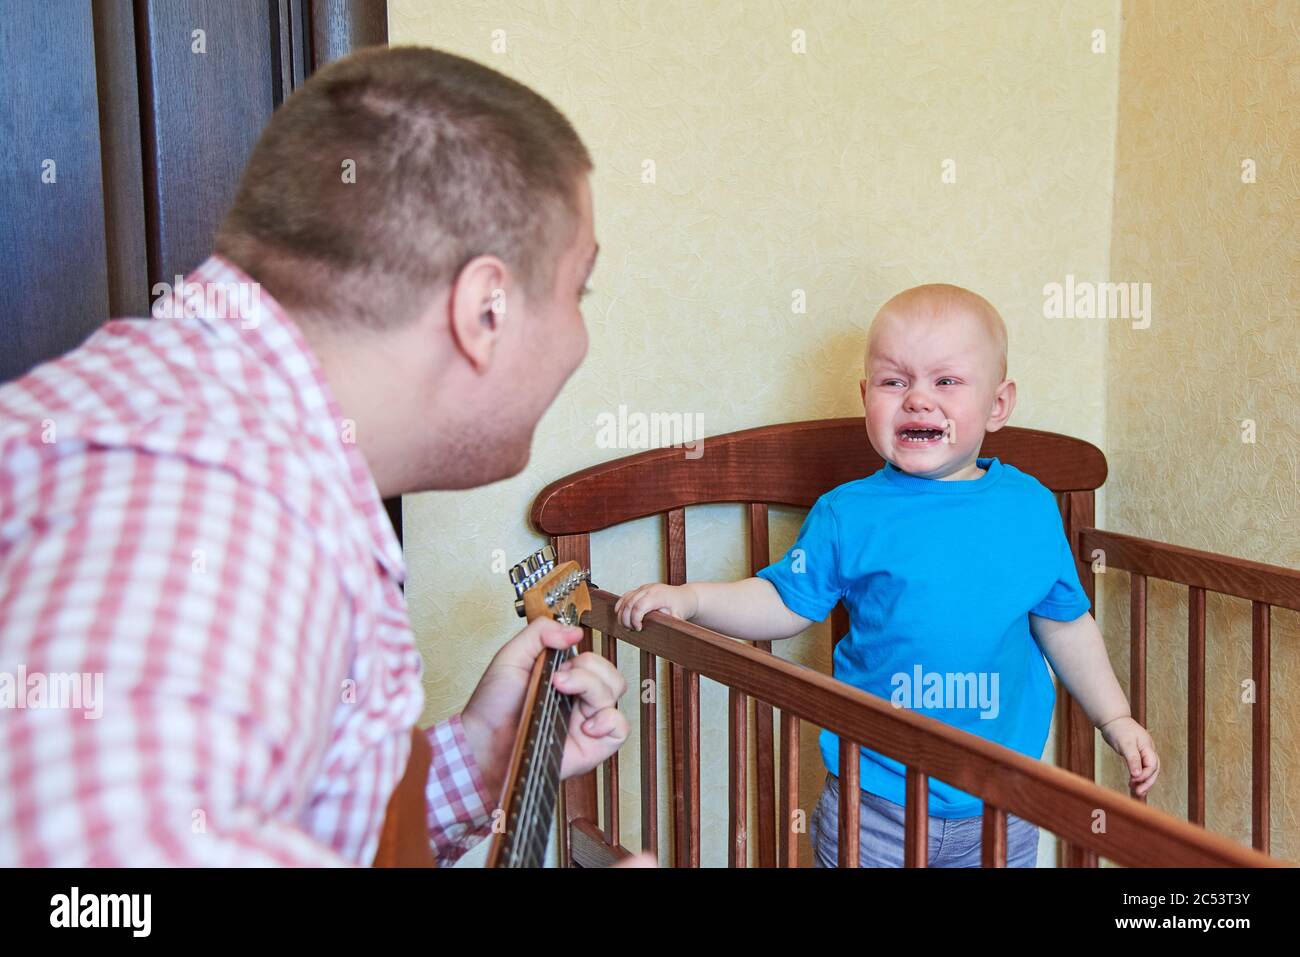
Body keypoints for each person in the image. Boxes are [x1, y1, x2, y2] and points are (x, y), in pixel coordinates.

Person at [0, 46, 651, 867]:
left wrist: (476, 759)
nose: (579, 339)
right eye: (577, 291)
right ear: (484, 309)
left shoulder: (203, 421)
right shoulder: (213, 505)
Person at [615, 283, 1160, 867]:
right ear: (865, 397)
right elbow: (784, 600)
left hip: (1007, 801)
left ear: (999, 404)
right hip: (875, 802)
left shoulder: (1029, 507)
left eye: (946, 381)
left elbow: (1065, 623)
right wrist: (693, 598)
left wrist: (1115, 715)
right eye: (894, 382)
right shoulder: (849, 513)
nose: (919, 400)